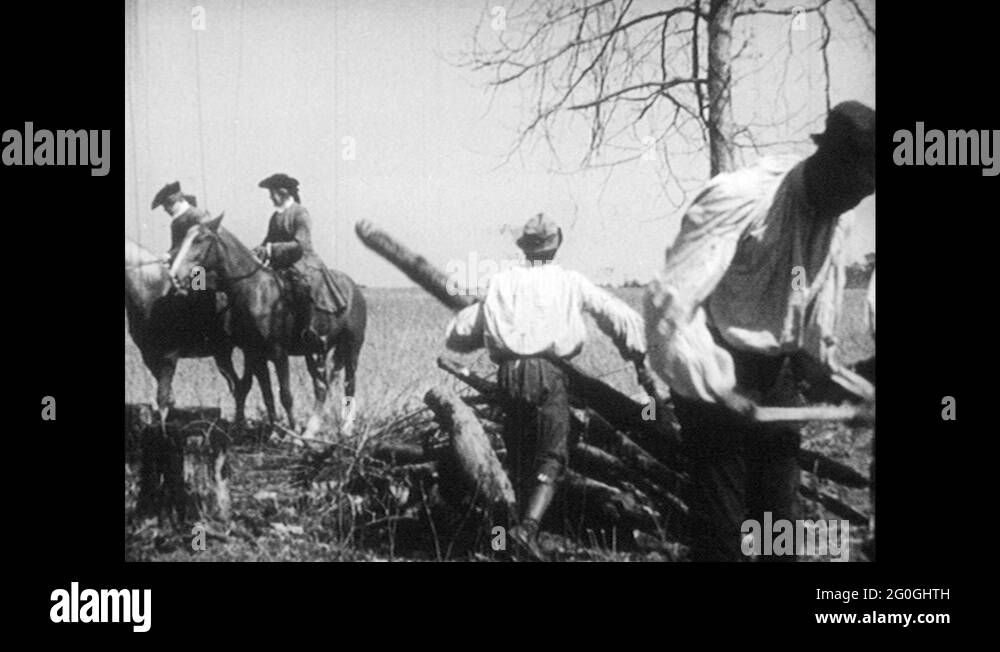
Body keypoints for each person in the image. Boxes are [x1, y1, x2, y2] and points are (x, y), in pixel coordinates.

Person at [643, 101, 876, 562]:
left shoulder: (840, 216)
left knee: (776, 533)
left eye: (867, 193)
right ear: (827, 159)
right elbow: (668, 306)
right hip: (712, 361)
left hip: (777, 374)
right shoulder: (740, 198)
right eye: (854, 186)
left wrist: (841, 384)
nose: (855, 202)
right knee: (725, 537)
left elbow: (810, 313)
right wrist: (719, 389)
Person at [445, 214, 647, 560]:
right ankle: (527, 532)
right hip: (547, 373)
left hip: (508, 374)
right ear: (557, 245)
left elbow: (460, 332)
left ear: (524, 248)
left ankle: (507, 537)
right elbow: (617, 315)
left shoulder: (501, 282)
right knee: (552, 453)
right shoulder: (570, 281)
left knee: (521, 454)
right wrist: (639, 356)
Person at [253, 173, 348, 345]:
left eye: (272, 193)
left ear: (282, 193)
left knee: (302, 286)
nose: (270, 197)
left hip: (303, 261)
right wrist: (257, 251)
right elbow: (268, 240)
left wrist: (270, 249)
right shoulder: (275, 217)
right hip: (281, 262)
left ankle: (310, 329)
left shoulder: (300, 213)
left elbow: (300, 244)